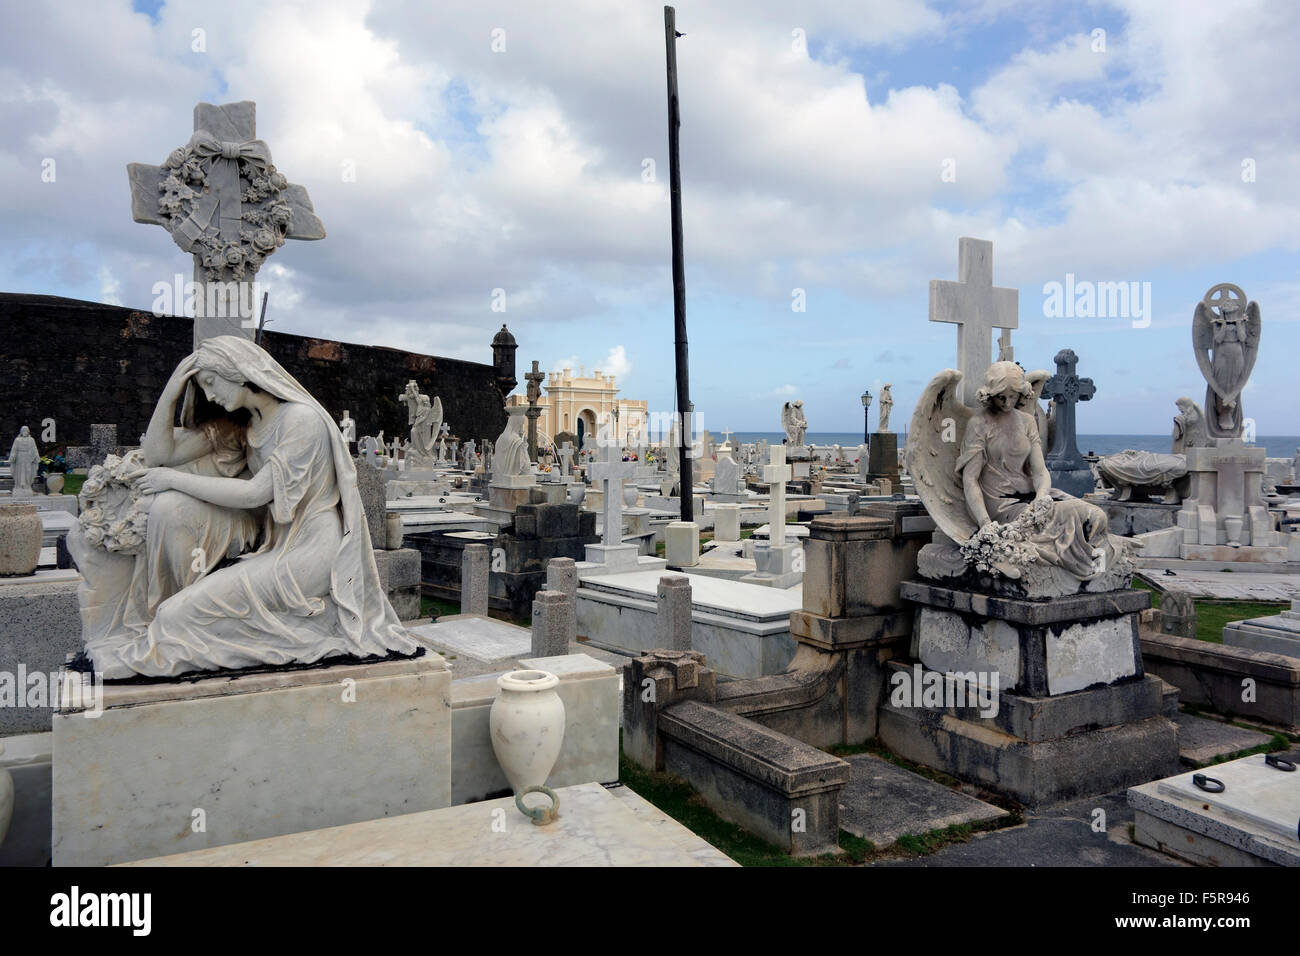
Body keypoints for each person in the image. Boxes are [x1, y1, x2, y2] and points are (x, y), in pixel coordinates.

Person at [74, 336, 416, 679]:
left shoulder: (301, 419)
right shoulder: (243, 425)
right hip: (270, 544)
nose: (209, 396)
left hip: (310, 552)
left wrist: (172, 480)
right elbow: (158, 456)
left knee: (176, 618)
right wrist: (171, 390)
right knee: (168, 511)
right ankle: (177, 612)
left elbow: (255, 493)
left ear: (238, 371)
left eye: (210, 382)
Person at [958, 362, 1113, 579]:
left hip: (1034, 498)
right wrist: (985, 523)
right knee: (1072, 517)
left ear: (1021, 394)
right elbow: (970, 479)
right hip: (1002, 504)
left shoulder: (1027, 421)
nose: (1007, 402)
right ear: (990, 393)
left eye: (1013, 396)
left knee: (1095, 516)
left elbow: (1040, 472)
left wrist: (1041, 498)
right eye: (1002, 396)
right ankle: (1087, 567)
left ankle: (1097, 568)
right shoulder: (979, 423)